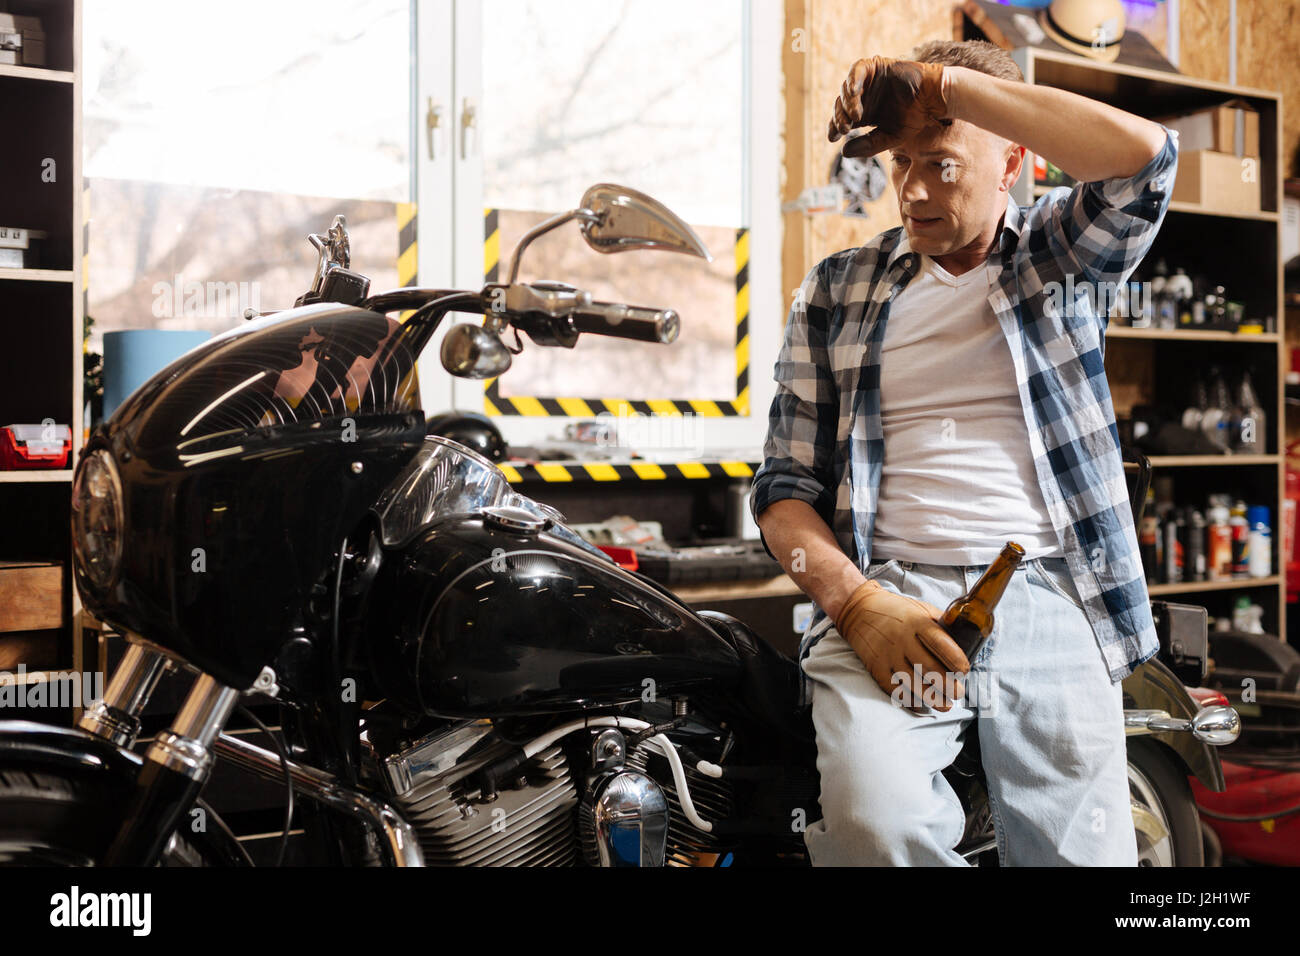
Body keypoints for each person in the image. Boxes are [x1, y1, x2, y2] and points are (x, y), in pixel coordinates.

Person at [750, 39, 1177, 866]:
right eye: (900, 163)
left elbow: (1146, 159)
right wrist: (853, 603)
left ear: (1013, 158)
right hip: (894, 594)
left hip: (1053, 592)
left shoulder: (1060, 258)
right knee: (878, 829)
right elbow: (783, 485)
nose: (911, 192)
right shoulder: (838, 290)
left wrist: (944, 86)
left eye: (940, 163)